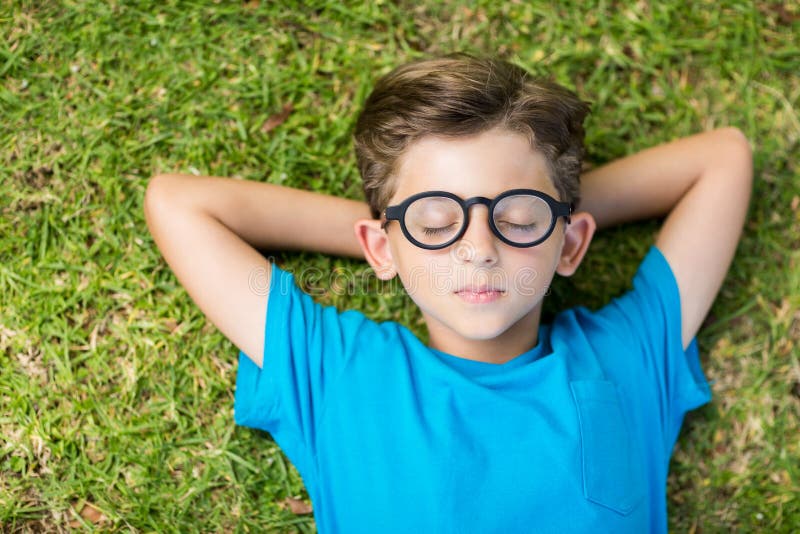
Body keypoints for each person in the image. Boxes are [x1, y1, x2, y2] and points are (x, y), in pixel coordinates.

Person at [143, 54, 752, 533]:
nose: (479, 248)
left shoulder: (626, 358)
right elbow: (179, 204)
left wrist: (547, 215)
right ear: (381, 249)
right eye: (437, 224)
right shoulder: (336, 373)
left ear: (571, 245)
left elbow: (723, 159)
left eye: (515, 221)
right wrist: (400, 232)